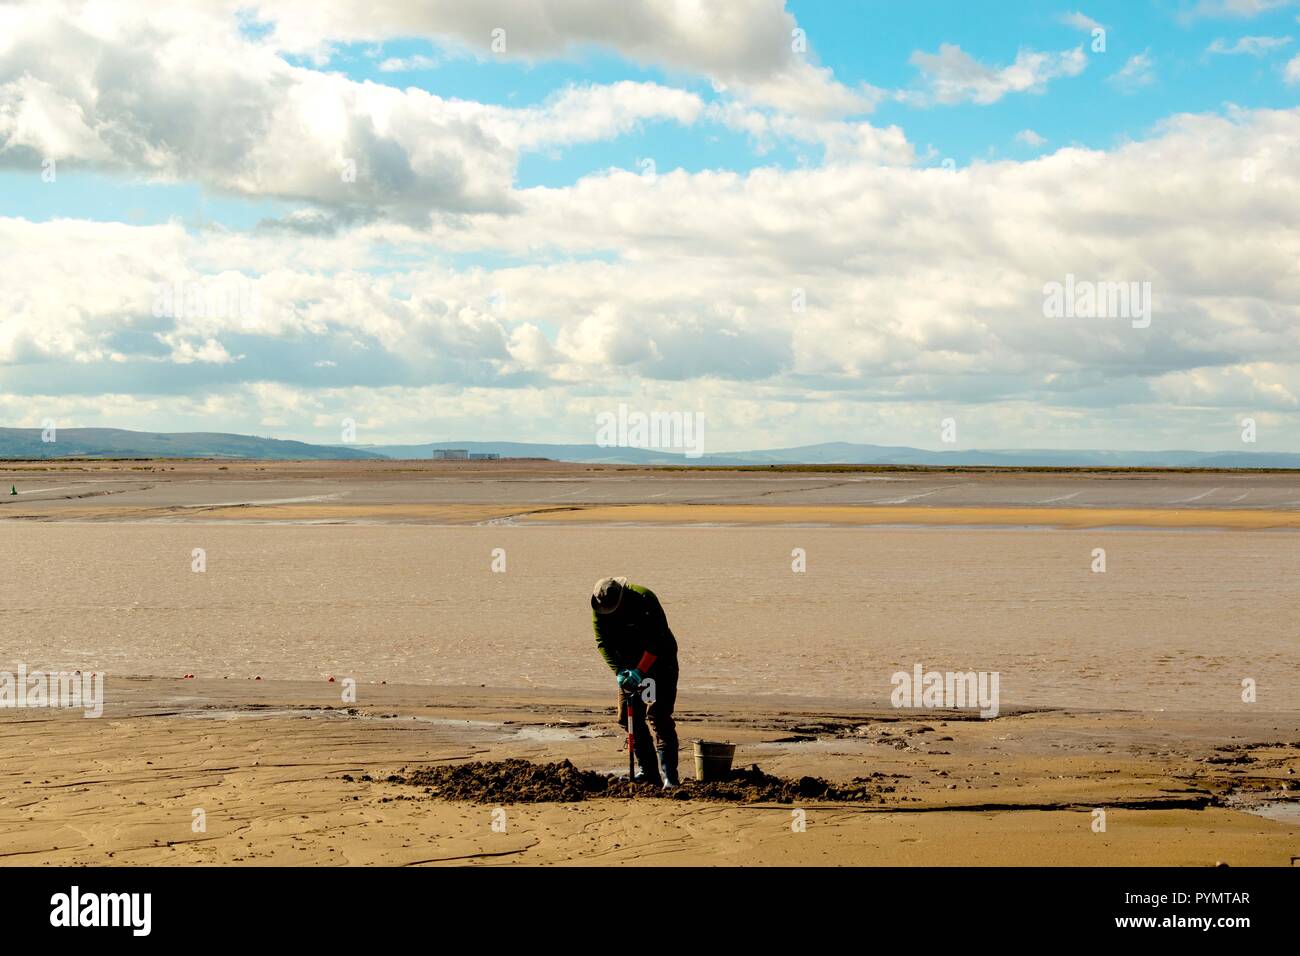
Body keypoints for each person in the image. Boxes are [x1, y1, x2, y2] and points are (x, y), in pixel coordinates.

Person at [590, 576, 679, 787]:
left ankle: (670, 778)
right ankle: (648, 773)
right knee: (628, 718)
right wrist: (620, 671)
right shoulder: (598, 605)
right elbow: (602, 642)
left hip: (660, 662)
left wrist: (640, 672)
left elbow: (657, 642)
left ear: (622, 597)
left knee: (658, 715)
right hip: (629, 665)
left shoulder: (644, 598)